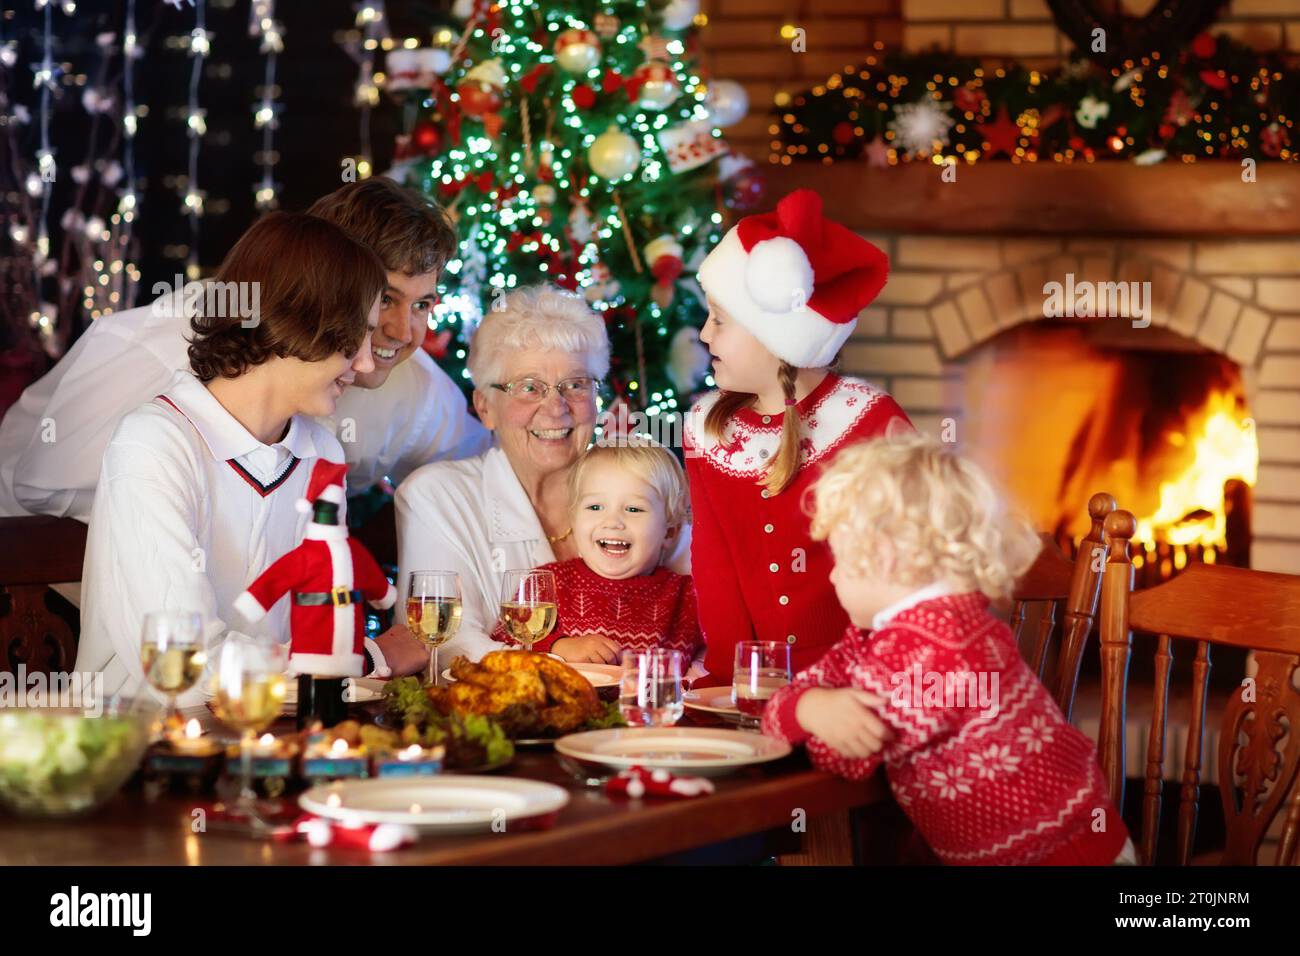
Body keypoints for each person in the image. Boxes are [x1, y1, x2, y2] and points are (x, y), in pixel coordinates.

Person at [1, 177, 488, 525]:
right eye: (383, 299)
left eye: (422, 303)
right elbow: (40, 489)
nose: (402, 331)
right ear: (320, 272)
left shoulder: (412, 386)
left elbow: (483, 476)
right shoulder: (167, 344)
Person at [762, 434, 1136, 865]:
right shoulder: (906, 629)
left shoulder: (936, 647)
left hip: (1058, 854)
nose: (832, 579)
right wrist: (810, 703)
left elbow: (843, 753)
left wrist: (802, 709)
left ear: (883, 557)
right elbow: (820, 681)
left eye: (841, 561)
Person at [76, 213, 395, 705]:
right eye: (358, 336)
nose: (369, 363)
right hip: (143, 747)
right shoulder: (154, 443)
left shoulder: (322, 451)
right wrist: (358, 660)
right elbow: (183, 663)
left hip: (276, 731)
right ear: (300, 321)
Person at [684, 188, 913, 681]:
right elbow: (714, 570)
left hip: (857, 687)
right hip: (747, 686)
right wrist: (730, 684)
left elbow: (902, 573)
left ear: (777, 342)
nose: (704, 334)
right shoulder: (708, 430)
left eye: (719, 321)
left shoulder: (870, 424)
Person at [396, 285, 691, 666]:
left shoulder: (645, 482)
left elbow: (706, 612)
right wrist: (563, 666)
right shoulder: (437, 496)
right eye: (529, 387)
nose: (555, 408)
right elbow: (443, 643)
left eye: (575, 385)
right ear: (485, 407)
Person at [490, 440, 704, 672]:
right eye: (595, 507)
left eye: (634, 509)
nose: (612, 522)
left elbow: (729, 646)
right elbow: (506, 641)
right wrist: (559, 647)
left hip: (651, 708)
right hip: (567, 705)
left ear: (669, 532)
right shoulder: (550, 582)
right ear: (573, 519)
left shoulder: (687, 597)